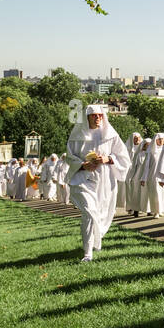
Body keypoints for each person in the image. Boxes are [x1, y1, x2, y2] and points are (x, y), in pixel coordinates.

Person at [65, 104, 130, 262]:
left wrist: (108, 159)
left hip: (104, 181)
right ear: (87, 118)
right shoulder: (77, 136)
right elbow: (69, 156)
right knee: (89, 212)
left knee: (99, 214)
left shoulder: (111, 135)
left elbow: (124, 158)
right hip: (83, 180)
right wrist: (82, 165)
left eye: (100, 115)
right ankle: (88, 253)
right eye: (94, 115)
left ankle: (95, 241)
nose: (97, 118)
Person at [142, 134, 164, 217]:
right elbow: (146, 166)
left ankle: (161, 210)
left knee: (162, 193)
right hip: (152, 175)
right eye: (159, 139)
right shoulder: (151, 152)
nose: (160, 141)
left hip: (162, 176)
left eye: (162, 139)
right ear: (155, 140)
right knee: (155, 193)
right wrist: (143, 178)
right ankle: (156, 211)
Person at [123, 132, 145, 214]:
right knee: (129, 189)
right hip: (129, 171)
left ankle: (139, 207)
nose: (137, 139)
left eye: (139, 137)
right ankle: (130, 207)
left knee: (140, 189)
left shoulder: (144, 147)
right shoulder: (127, 148)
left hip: (140, 171)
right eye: (135, 138)